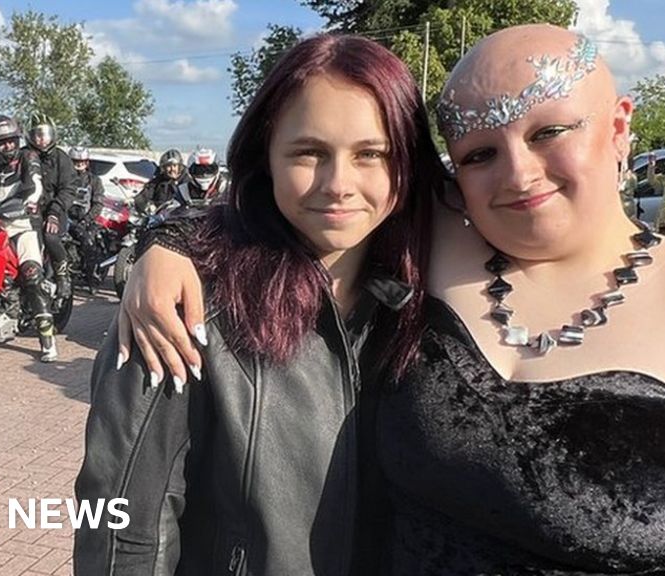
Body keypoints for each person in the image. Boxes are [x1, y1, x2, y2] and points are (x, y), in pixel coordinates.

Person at [117, 26, 665, 576]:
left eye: (549, 131)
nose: (519, 174)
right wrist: (168, 243)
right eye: (479, 154)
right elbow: (311, 191)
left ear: (618, 125)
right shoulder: (429, 245)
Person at [74, 34, 443, 575]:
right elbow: (124, 528)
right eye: (309, 152)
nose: (338, 184)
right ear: (265, 156)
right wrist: (170, 238)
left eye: (372, 154)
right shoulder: (188, 306)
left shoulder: (434, 299)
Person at [0, 114, 58, 362]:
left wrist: (28, 201)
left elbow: (35, 185)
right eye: (2, 142)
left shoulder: (28, 157)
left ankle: (47, 340)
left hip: (22, 223)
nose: (8, 146)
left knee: (31, 273)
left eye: (11, 140)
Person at [25, 112, 76, 297]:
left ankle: (63, 276)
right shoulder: (23, 156)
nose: (42, 139)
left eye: (45, 133)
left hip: (54, 211)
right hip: (26, 212)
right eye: (37, 134)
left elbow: (68, 189)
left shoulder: (62, 158)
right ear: (30, 136)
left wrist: (55, 212)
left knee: (50, 236)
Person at [68, 146, 106, 292]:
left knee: (88, 242)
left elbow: (98, 204)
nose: (79, 164)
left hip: (86, 220)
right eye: (76, 161)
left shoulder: (94, 181)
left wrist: (86, 220)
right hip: (67, 219)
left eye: (82, 161)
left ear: (87, 162)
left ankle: (92, 279)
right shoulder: (64, 179)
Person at [133, 148, 186, 215]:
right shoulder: (158, 182)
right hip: (161, 219)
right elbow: (145, 195)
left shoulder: (186, 181)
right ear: (163, 168)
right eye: (169, 166)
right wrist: (135, 201)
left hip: (181, 219)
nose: (172, 169)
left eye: (174, 166)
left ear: (179, 167)